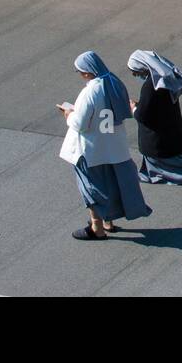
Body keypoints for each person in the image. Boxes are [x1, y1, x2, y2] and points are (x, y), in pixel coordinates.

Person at [58, 50, 151, 240]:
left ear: (86, 72)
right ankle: (109, 221)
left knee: (92, 189)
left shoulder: (90, 91)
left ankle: (96, 228)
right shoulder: (115, 83)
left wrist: (69, 115)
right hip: (114, 147)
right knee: (111, 185)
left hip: (91, 150)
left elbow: (80, 123)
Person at [126, 49, 182, 185]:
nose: (134, 74)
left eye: (135, 72)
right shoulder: (166, 80)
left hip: (158, 142)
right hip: (173, 135)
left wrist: (134, 108)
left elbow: (142, 115)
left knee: (168, 169)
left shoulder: (151, 86)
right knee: (178, 160)